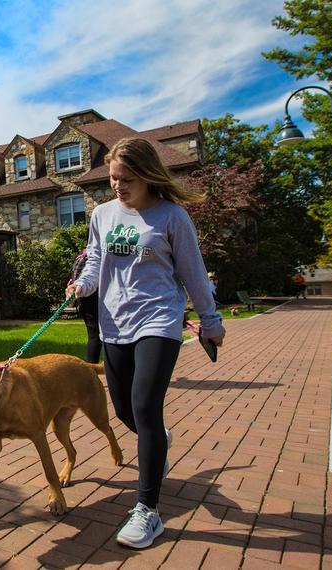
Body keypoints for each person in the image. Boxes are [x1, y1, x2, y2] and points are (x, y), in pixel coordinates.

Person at [67, 138, 224, 549]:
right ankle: (157, 439)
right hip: (113, 320)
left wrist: (210, 320)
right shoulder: (102, 214)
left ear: (148, 175)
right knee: (122, 410)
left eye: (127, 179)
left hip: (159, 319)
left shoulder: (172, 216)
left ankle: (148, 511)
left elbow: (193, 271)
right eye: (113, 178)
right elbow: (97, 259)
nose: (118, 186)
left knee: (144, 406)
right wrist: (83, 285)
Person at [67, 250, 102, 364]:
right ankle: (93, 369)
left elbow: (75, 277)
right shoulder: (92, 258)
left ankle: (91, 368)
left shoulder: (80, 257)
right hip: (95, 299)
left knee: (93, 336)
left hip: (83, 300)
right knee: (97, 336)